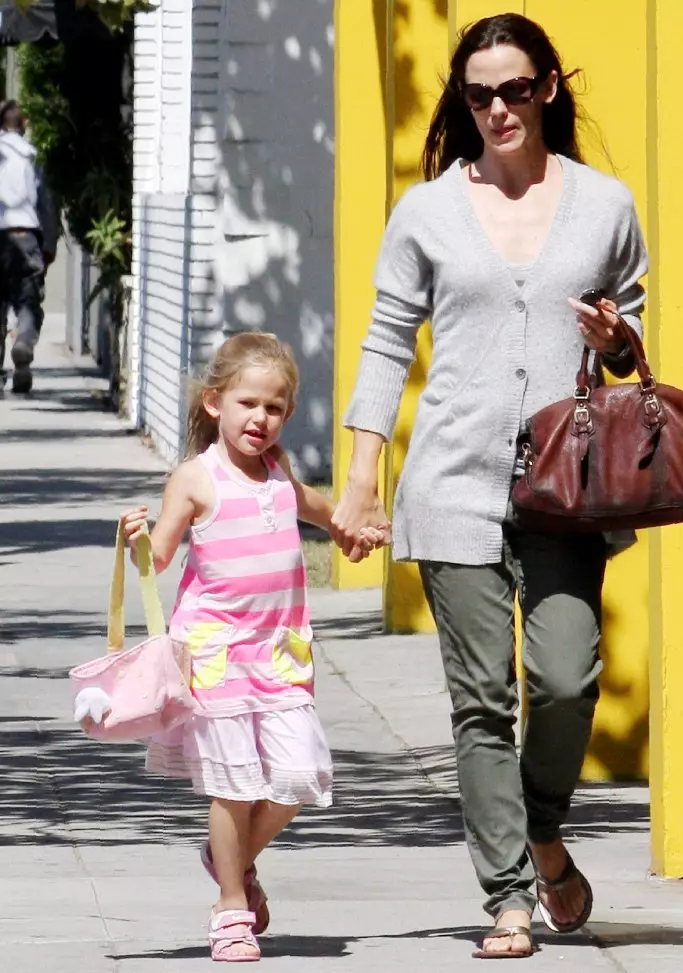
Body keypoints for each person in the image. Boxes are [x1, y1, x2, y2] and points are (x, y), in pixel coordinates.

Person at [331, 13, 647, 960]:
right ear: (462, 101)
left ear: (551, 86)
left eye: (515, 89)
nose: (498, 108)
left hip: (567, 487)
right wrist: (359, 480)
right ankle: (510, 894)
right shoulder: (426, 210)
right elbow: (387, 343)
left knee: (565, 674)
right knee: (482, 701)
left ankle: (543, 826)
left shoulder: (605, 205)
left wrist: (616, 341)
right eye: (479, 94)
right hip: (453, 483)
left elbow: (631, 341)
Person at [120, 332, 381, 962]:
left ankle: (225, 857)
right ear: (215, 403)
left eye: (275, 408)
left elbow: (315, 509)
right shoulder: (194, 479)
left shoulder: (279, 471)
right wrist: (134, 538)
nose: (260, 419)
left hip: (280, 652)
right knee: (232, 786)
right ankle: (231, 906)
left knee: (300, 776)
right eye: (248, 403)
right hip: (215, 655)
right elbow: (157, 558)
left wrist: (352, 530)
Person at [0, 99, 58, 393]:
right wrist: (49, 242)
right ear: (22, 124)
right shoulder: (33, 156)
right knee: (27, 303)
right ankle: (22, 351)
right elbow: (46, 202)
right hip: (25, 237)